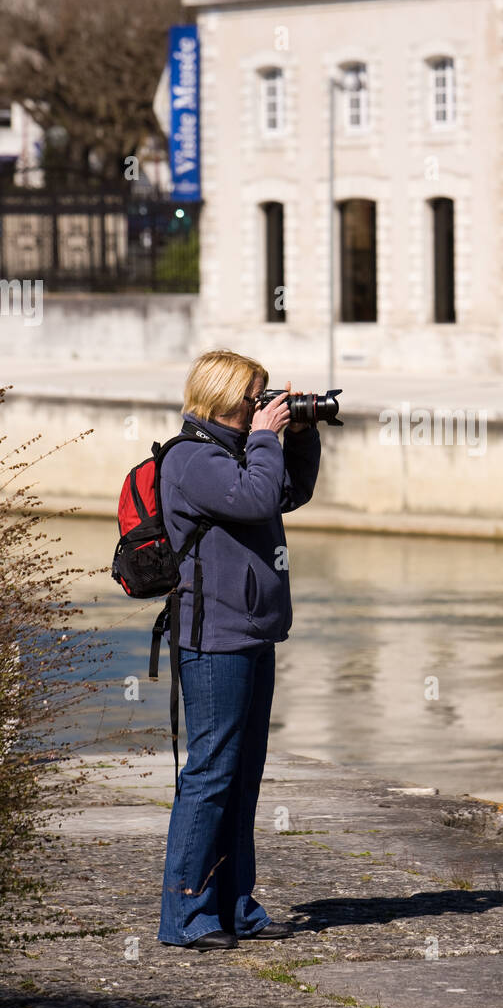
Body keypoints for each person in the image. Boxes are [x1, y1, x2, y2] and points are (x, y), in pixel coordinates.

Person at [156, 349, 321, 951]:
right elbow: (255, 499)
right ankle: (185, 917)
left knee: (242, 777)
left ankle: (235, 906)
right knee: (209, 775)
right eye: (257, 396)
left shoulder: (237, 454)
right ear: (228, 398)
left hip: (251, 632)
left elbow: (286, 493)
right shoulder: (192, 459)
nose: (264, 404)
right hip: (213, 638)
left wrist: (295, 437)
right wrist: (267, 438)